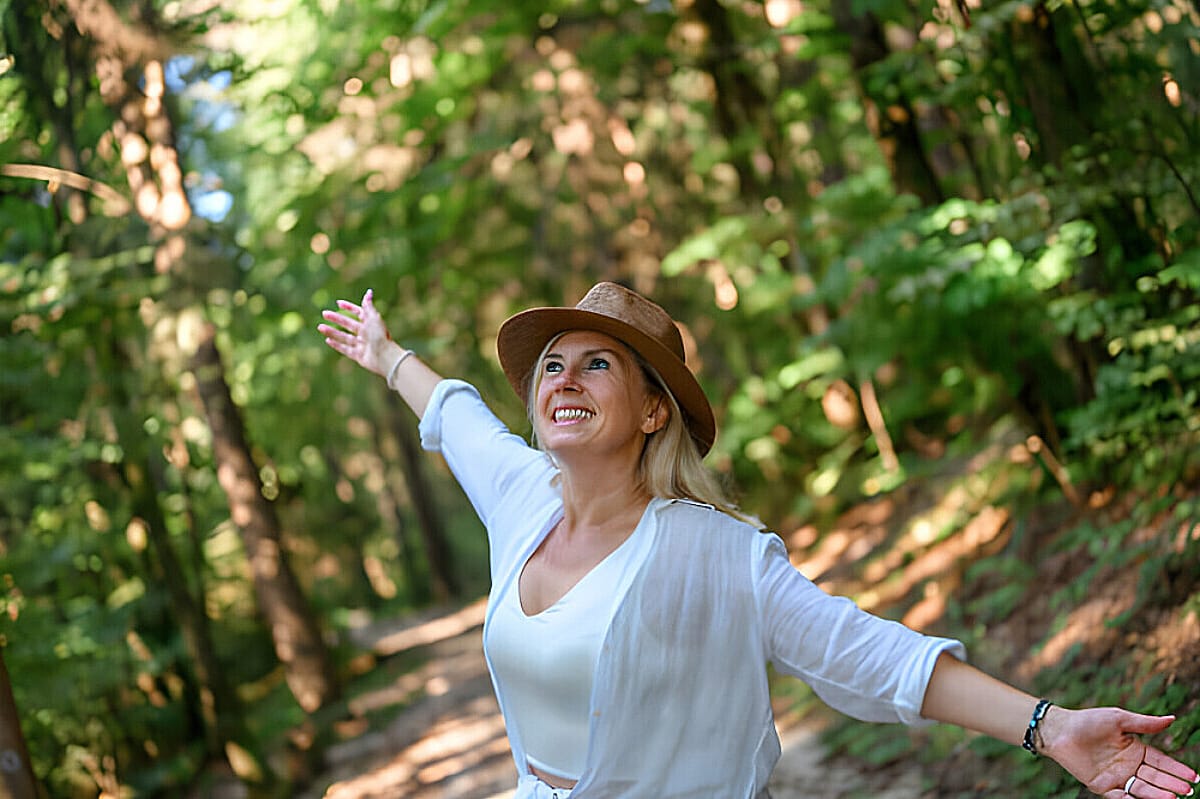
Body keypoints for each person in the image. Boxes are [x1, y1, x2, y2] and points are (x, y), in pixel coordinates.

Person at [318, 281, 1197, 799]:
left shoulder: (719, 554)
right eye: (552, 363)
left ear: (653, 408)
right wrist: (388, 354)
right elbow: (453, 412)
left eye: (598, 364)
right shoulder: (519, 496)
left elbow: (874, 656)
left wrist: (1049, 726)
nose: (564, 379)